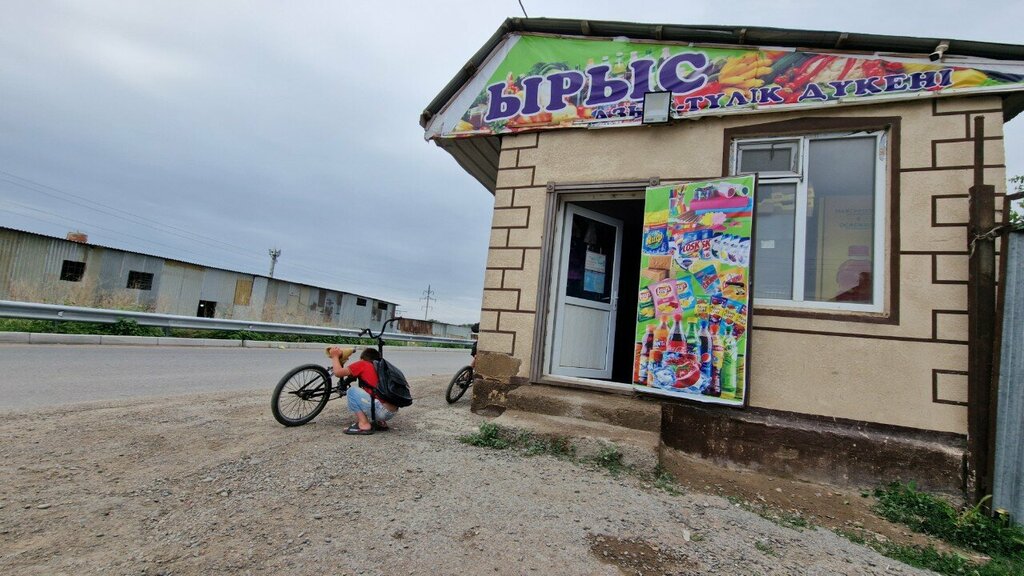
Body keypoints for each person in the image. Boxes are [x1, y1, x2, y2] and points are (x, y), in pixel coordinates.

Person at [327, 346, 399, 436]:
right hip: (392, 412)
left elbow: (338, 372)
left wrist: (335, 356)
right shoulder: (382, 367)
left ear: (362, 359)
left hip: (381, 411)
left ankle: (364, 424)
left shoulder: (363, 364)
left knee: (352, 391)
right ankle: (381, 423)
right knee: (373, 391)